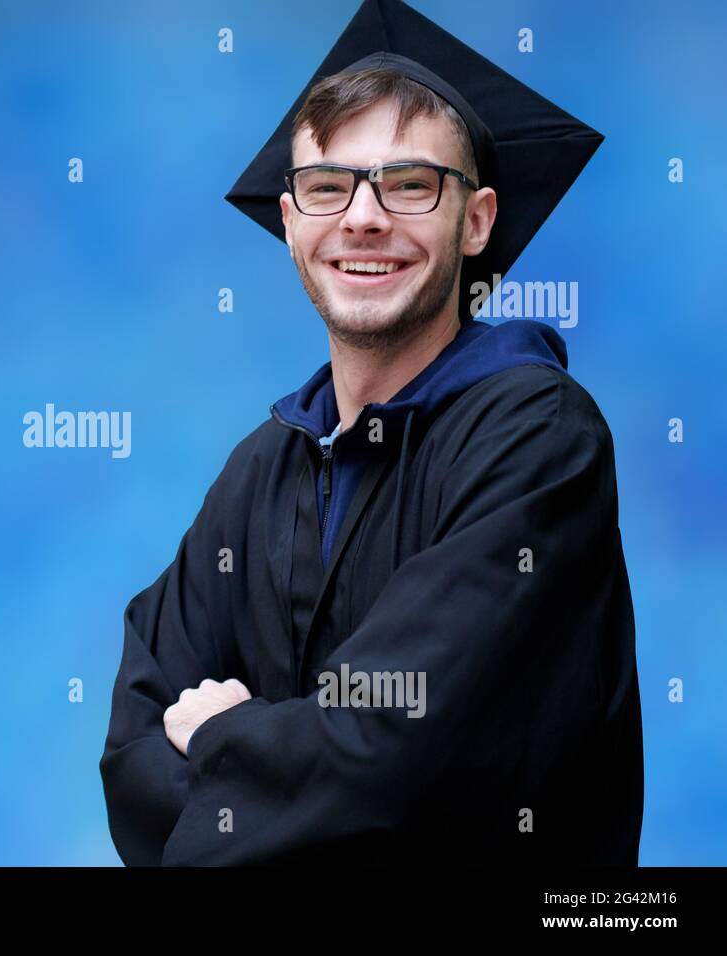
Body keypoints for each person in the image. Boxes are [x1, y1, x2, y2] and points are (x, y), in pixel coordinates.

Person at [99, 0, 643, 866]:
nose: (362, 217)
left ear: (476, 220)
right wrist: (280, 766)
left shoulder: (538, 440)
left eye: (410, 183)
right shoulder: (261, 470)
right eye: (328, 185)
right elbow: (132, 750)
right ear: (290, 224)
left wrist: (222, 738)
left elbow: (399, 747)